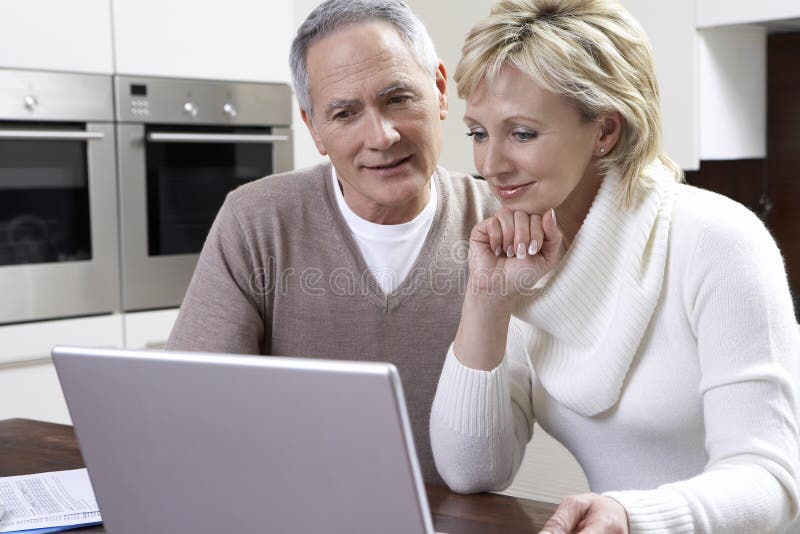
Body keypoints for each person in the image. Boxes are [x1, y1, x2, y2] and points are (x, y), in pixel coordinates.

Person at [429, 0, 800, 532]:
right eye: (479, 133)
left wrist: (634, 515)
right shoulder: (523, 254)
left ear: (605, 130)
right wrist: (487, 302)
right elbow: (472, 470)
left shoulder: (718, 240)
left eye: (523, 133)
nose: (490, 166)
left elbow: (771, 481)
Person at [166, 0, 497, 485]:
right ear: (315, 128)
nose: (381, 136)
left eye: (398, 98)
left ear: (441, 91)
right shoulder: (256, 221)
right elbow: (190, 407)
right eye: (345, 113)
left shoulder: (501, 221)